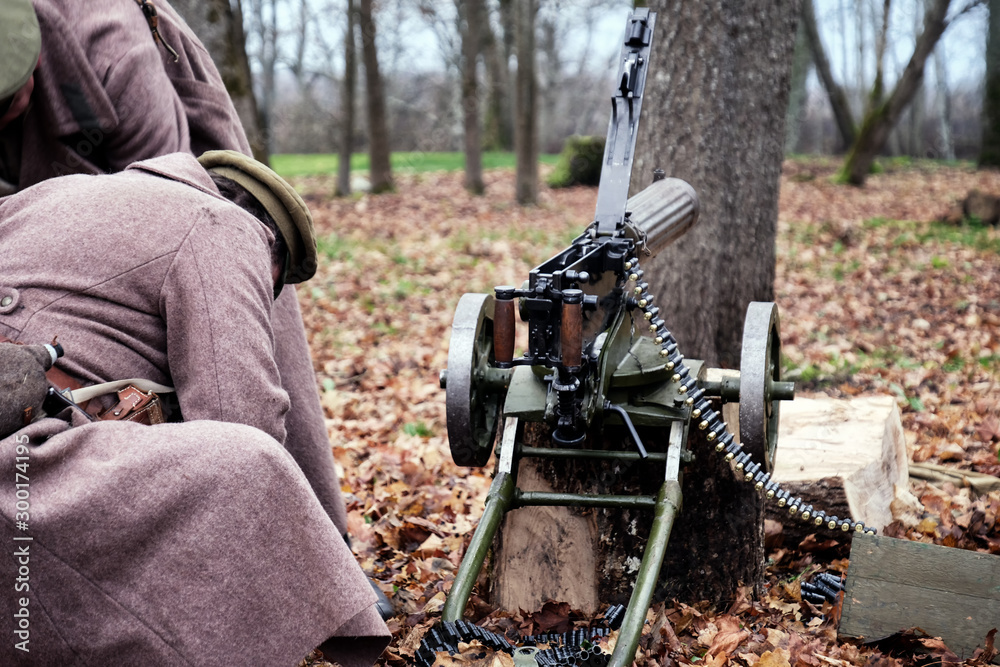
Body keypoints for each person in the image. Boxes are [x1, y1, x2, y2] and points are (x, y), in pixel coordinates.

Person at [0, 150, 389, 665]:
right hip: (29, 474)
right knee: (250, 462)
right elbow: (240, 414)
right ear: (271, 252)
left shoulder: (49, 192)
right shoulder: (225, 225)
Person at [0, 0, 356, 549]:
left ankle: (321, 529)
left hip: (177, 178)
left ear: (35, 60)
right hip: (49, 223)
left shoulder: (121, 61)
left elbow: (165, 206)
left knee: (216, 323)